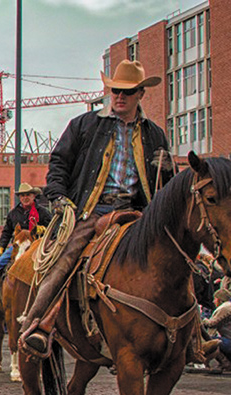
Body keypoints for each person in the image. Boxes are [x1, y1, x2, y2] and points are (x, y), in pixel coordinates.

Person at [19, 60, 173, 357]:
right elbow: (59, 163)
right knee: (65, 259)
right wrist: (60, 199)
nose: (120, 97)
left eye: (128, 92)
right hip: (92, 212)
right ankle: (37, 325)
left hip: (139, 214)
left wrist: (167, 170)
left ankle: (192, 333)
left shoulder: (155, 135)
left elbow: (167, 184)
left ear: (141, 93)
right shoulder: (85, 124)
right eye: (116, 90)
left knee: (174, 257)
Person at [0, 183, 52, 299]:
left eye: (28, 194)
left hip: (37, 246)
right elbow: (6, 232)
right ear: (19, 197)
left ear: (33, 196)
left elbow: (53, 228)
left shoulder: (43, 212)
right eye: (22, 195)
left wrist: (43, 229)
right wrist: (0, 248)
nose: (25, 197)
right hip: (17, 246)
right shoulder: (13, 214)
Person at [203, 287, 231, 372]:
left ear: (220, 299)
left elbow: (212, 323)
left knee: (210, 341)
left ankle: (224, 362)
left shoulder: (225, 308)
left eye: (215, 299)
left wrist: (203, 319)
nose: (213, 301)